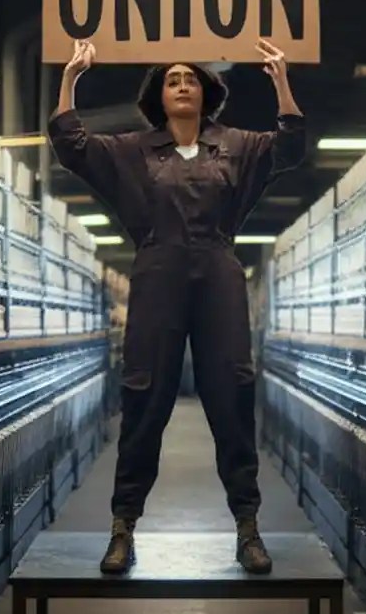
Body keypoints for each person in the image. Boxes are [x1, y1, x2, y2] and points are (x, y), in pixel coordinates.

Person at [48, 39, 306, 575]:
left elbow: (292, 146)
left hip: (218, 274)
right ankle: (122, 527)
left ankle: (248, 528)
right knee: (143, 397)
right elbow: (71, 144)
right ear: (159, 96)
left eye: (191, 78)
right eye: (172, 79)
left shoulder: (236, 144)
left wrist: (280, 81)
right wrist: (71, 76)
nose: (183, 84)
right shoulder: (134, 149)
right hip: (157, 275)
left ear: (206, 92)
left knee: (233, 395)